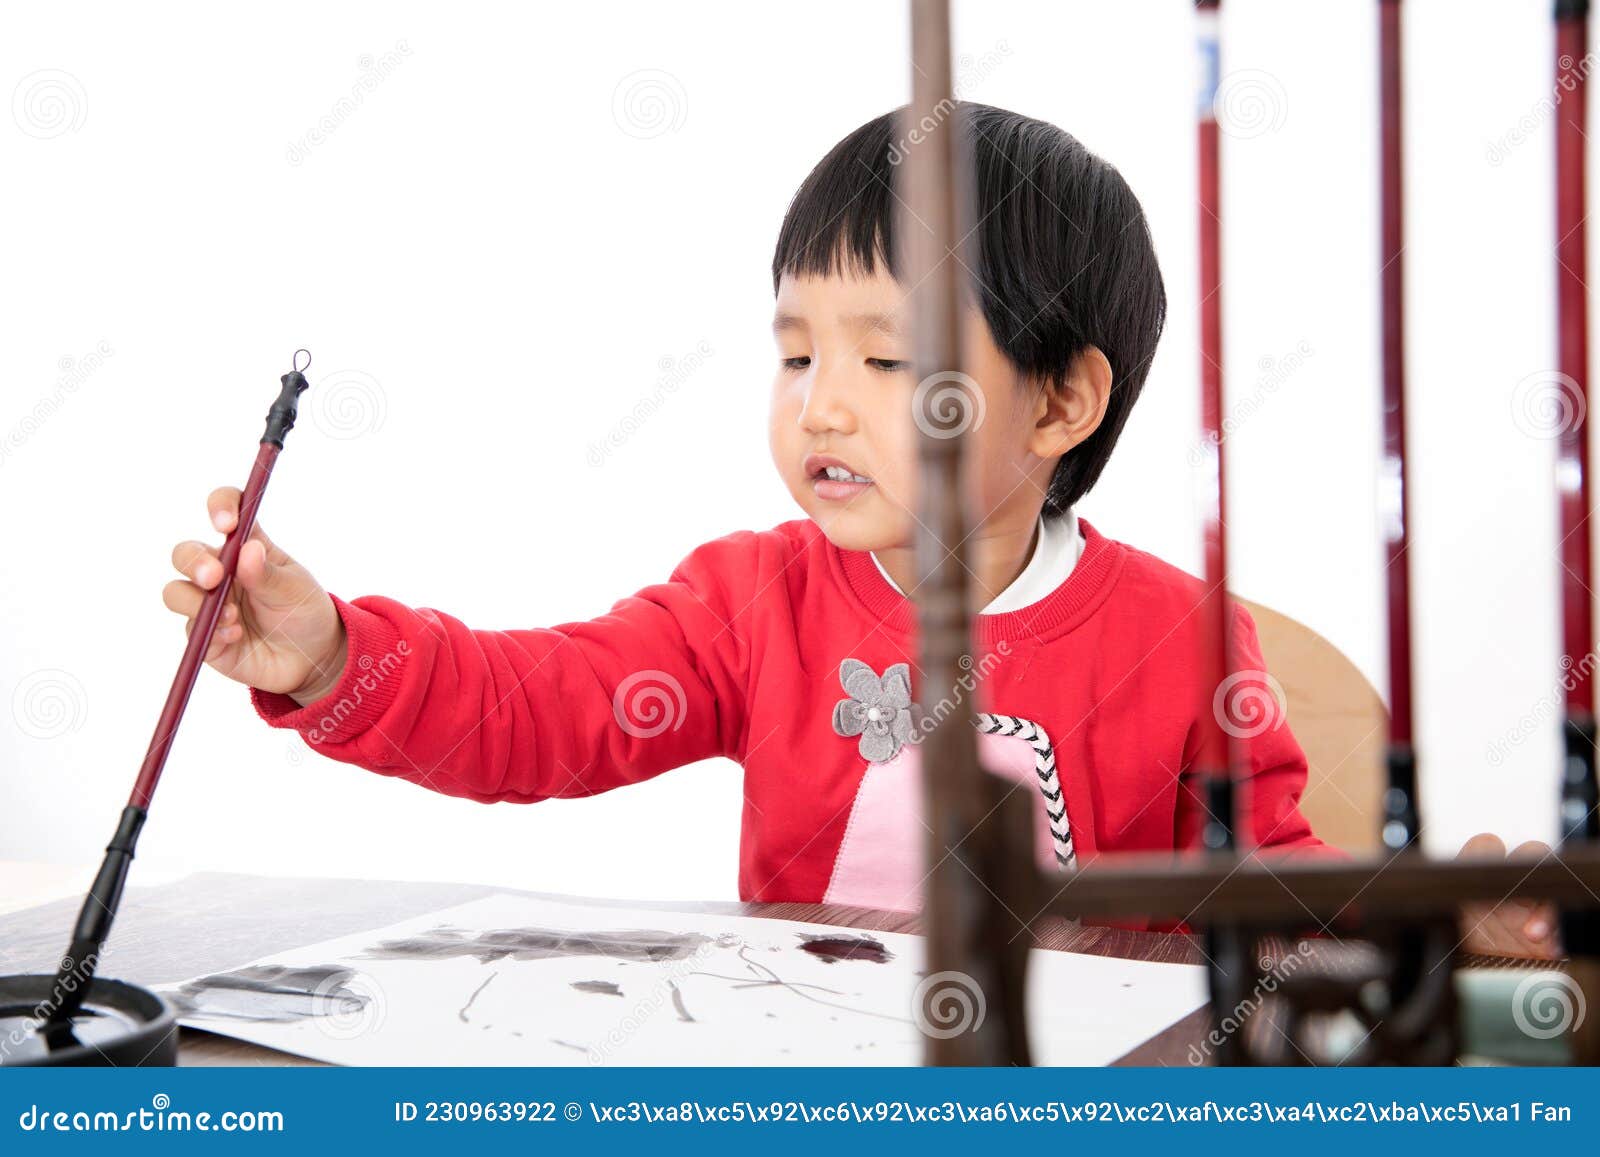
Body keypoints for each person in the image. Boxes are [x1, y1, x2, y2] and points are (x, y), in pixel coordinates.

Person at [163, 103, 1555, 955]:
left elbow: (1272, 886)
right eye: (794, 355)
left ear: (1065, 398)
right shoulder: (748, 602)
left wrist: (1429, 911)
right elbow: (541, 706)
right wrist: (337, 656)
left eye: (888, 365)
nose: (823, 407)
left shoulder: (1187, 642)